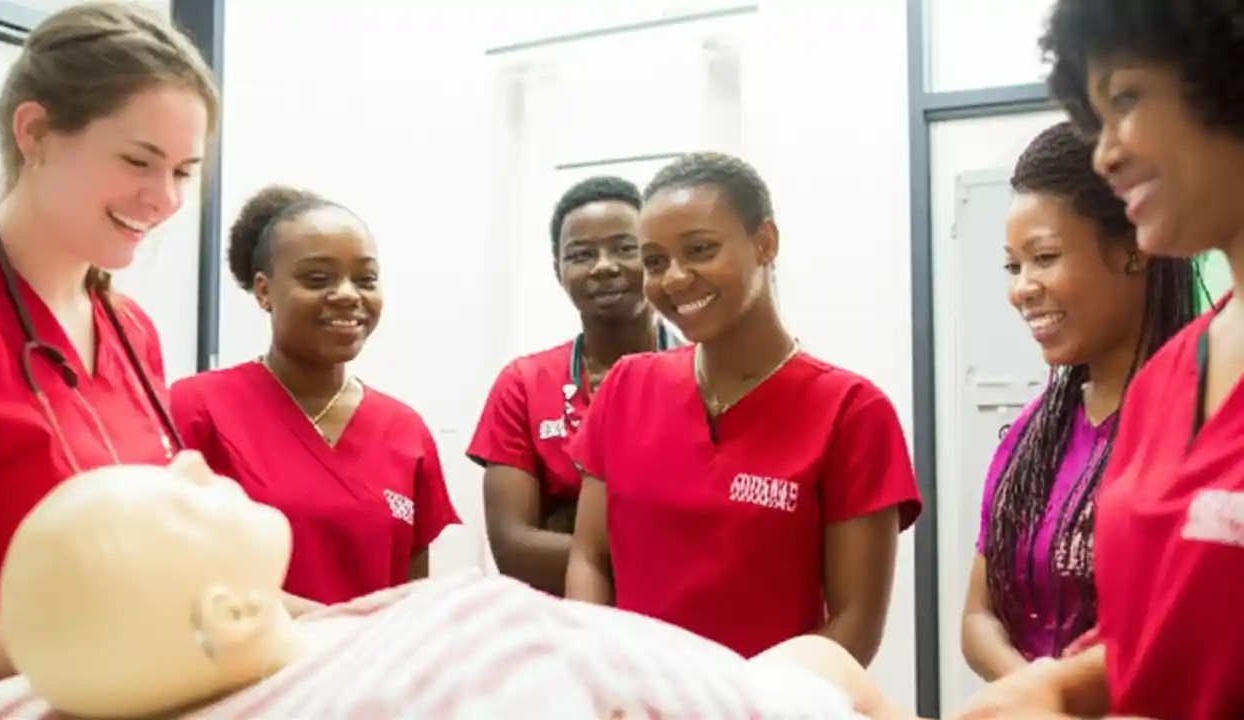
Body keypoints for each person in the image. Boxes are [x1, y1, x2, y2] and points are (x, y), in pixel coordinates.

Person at [0, 454, 919, 720]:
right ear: (224, 612)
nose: (181, 461)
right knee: (824, 670)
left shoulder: (305, 644)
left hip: (709, 659)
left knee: (816, 652)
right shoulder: (445, 684)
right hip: (722, 699)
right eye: (172, 504)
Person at [961, 1, 1244, 718]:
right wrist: (1050, 686)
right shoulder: (1172, 381)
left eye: (1125, 101)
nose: (1106, 153)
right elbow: (1150, 646)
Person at [565, 152, 922, 664]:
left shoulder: (850, 412)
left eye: (701, 249)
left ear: (765, 243)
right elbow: (590, 558)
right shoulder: (626, 387)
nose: (675, 278)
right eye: (655, 261)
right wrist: (602, 677)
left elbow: (853, 625)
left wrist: (748, 704)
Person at [0, 2, 217, 691]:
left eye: (183, 172)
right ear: (36, 132)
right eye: (140, 160)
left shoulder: (132, 334)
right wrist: (89, 637)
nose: (164, 199)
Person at [961, 122, 1198, 680]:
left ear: (1135, 249)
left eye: (1044, 257)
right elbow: (978, 616)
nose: (1022, 288)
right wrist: (1035, 696)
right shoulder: (1032, 436)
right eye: (1013, 265)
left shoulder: (1197, 421)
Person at [169, 186, 460, 607]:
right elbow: (168, 575)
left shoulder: (405, 430)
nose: (348, 294)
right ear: (264, 291)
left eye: (366, 279)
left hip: (370, 669)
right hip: (242, 670)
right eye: (317, 279)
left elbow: (411, 603)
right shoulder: (197, 408)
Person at [467, 176, 679, 595]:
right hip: (559, 628)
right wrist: (670, 557)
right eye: (581, 254)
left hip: (683, 627)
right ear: (559, 270)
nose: (604, 266)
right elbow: (514, 549)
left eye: (625, 248)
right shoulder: (523, 384)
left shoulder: (704, 374)